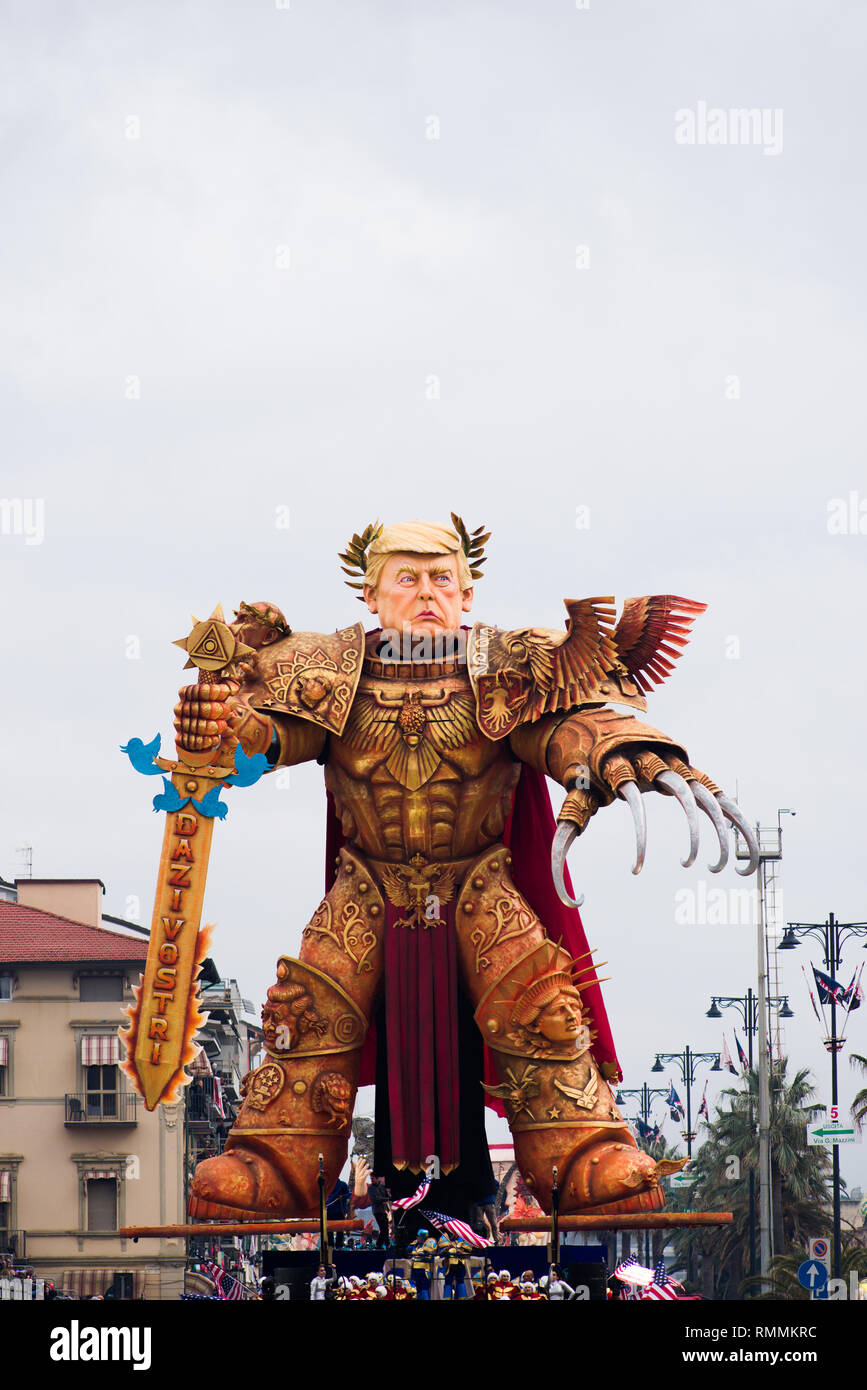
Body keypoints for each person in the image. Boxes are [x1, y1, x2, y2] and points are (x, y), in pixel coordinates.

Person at [183, 519, 756, 1222]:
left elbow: (563, 726)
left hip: (479, 884)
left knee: (536, 1006)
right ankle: (275, 1162)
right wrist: (224, 723)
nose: (426, 592)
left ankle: (580, 1153)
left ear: (466, 589)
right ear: (370, 592)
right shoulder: (322, 669)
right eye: (406, 577)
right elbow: (270, 741)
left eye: (440, 578)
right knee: (310, 1013)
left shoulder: (513, 664)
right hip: (368, 887)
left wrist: (617, 750)